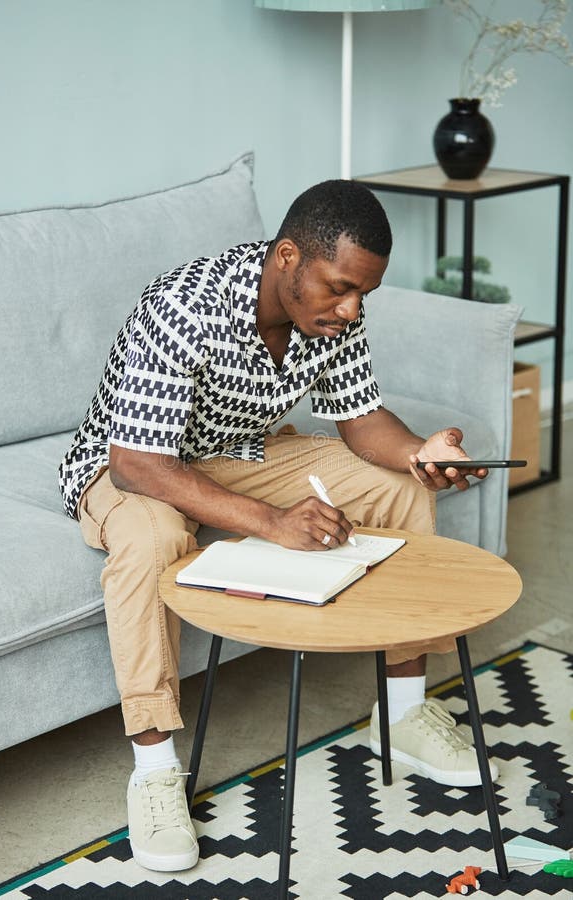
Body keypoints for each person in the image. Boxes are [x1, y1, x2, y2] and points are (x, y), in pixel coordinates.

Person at [59, 179, 495, 874]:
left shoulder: (333, 316)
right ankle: (155, 770)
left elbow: (361, 420)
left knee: (397, 486)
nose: (351, 309)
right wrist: (270, 522)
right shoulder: (184, 305)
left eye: (363, 295)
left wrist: (421, 452)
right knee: (152, 538)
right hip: (131, 465)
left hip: (241, 454)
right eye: (340, 289)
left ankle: (404, 709)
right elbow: (138, 464)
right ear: (288, 257)